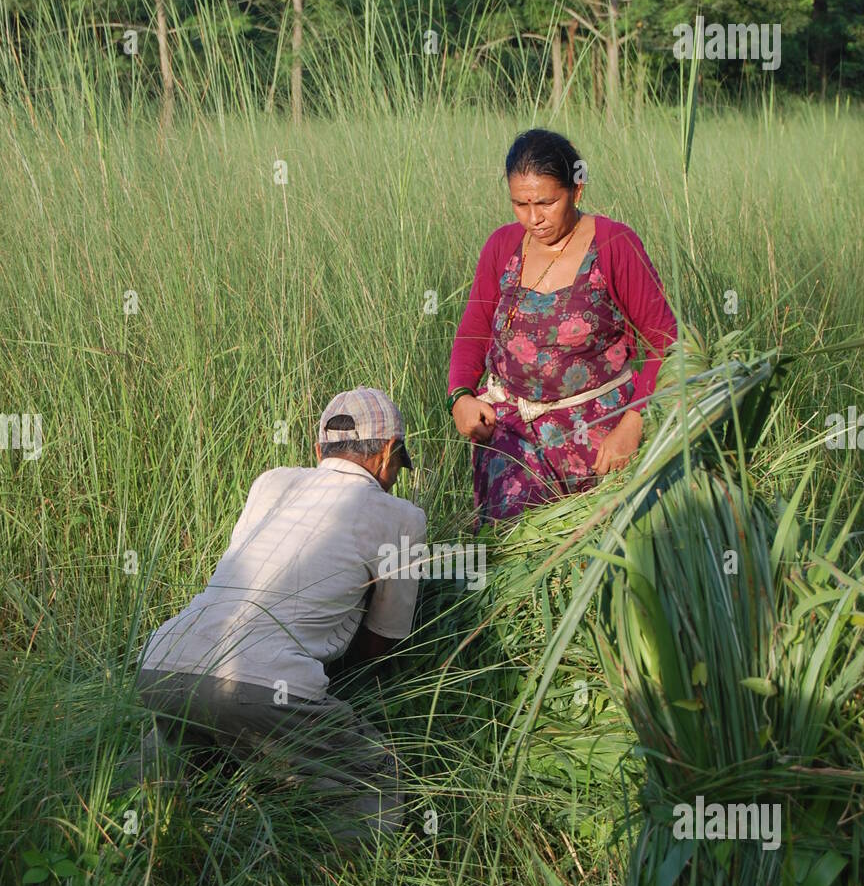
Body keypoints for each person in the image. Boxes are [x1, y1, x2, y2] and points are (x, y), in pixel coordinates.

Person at [131, 387, 426, 844]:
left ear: (317, 451)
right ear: (388, 453)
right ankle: (340, 882)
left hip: (160, 663)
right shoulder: (400, 517)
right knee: (371, 773)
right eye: (396, 468)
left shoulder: (271, 483)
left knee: (175, 767)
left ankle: (134, 845)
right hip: (258, 684)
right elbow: (380, 643)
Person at [448, 128, 677, 525]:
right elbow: (474, 331)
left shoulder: (613, 244)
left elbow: (666, 342)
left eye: (546, 203)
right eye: (520, 204)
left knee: (596, 555)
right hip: (512, 436)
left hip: (600, 437)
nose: (533, 218)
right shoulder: (502, 247)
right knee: (516, 555)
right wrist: (461, 397)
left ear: (577, 190)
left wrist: (634, 425)